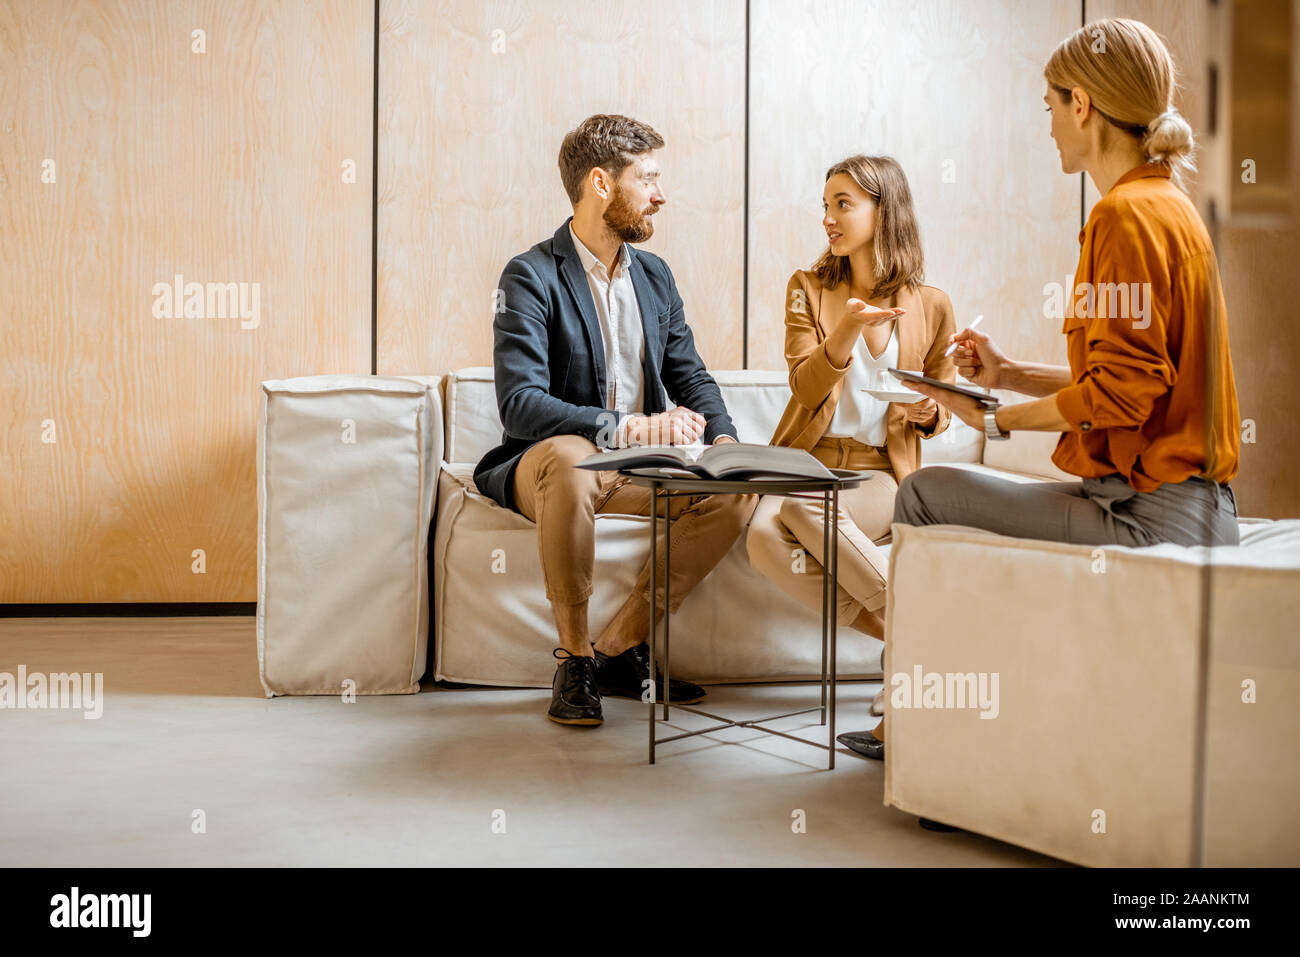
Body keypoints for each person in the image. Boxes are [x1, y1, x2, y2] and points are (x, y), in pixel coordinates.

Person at [882, 18, 1242, 759]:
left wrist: (997, 418)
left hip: (1153, 519)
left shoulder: (1122, 216)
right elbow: (1135, 378)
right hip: (1190, 506)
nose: (1046, 123)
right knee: (949, 492)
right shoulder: (1169, 206)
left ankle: (919, 726)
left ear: (1083, 105)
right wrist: (1009, 373)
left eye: (1048, 104)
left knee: (923, 494)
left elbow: (1122, 396)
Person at [474, 114, 758, 728]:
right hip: (548, 466)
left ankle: (615, 648)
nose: (661, 194)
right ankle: (573, 662)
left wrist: (725, 442)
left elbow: (691, 377)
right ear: (601, 184)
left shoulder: (654, 276)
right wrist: (632, 428)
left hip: (636, 471)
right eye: (648, 178)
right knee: (574, 460)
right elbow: (520, 404)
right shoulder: (530, 275)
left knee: (736, 493)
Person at [744, 155, 958, 758]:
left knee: (801, 512)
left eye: (844, 204)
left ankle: (914, 637)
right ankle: (912, 632)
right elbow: (806, 388)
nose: (828, 218)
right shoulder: (807, 289)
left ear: (882, 211)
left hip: (878, 472)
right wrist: (844, 329)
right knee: (763, 539)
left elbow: (943, 403)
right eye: (826, 204)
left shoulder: (932, 305)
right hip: (809, 461)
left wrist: (929, 412)